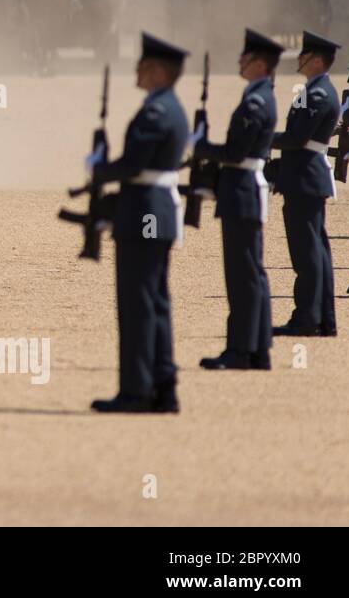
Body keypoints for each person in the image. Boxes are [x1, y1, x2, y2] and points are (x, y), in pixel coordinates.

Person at [89, 32, 189, 414]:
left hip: (146, 212)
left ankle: (137, 389)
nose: (137, 70)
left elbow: (133, 165)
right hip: (153, 209)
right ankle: (162, 385)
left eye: (144, 65)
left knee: (138, 304)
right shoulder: (166, 107)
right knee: (154, 302)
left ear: (160, 71)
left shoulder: (156, 111)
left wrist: (100, 170)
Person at [194, 29, 282, 370]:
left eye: (245, 59)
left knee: (242, 274)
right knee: (252, 272)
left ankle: (241, 350)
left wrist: (200, 145)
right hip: (245, 188)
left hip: (242, 189)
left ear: (259, 64)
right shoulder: (259, 96)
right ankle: (257, 347)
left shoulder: (256, 100)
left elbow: (234, 152)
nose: (240, 63)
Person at [271, 30, 340, 337]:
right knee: (315, 249)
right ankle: (321, 316)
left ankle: (307, 317)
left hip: (305, 175)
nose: (299, 59)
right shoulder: (313, 90)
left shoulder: (318, 93)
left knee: (307, 251)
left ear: (316, 60)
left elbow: (298, 138)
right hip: (303, 174)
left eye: (304, 55)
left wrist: (262, 140)